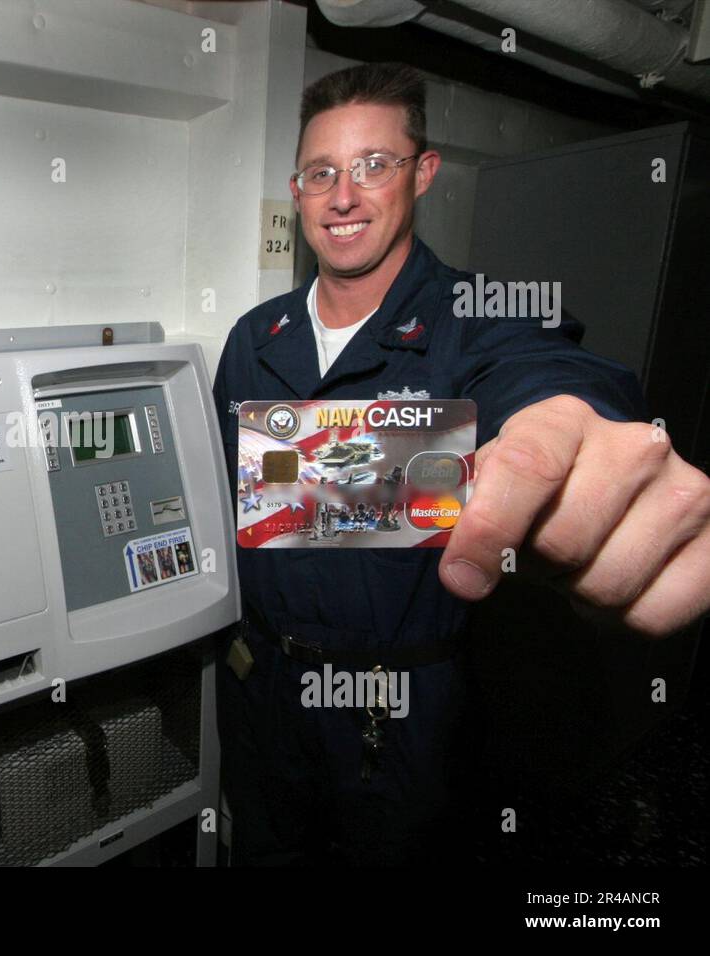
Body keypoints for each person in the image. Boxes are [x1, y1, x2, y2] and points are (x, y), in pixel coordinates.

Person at [212, 62, 710, 865]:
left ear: (424, 173)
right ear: (298, 190)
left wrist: (571, 422)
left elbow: (546, 373)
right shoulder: (253, 339)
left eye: (375, 165)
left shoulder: (477, 318)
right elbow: (241, 506)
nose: (344, 196)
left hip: (402, 706)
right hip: (265, 690)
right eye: (321, 173)